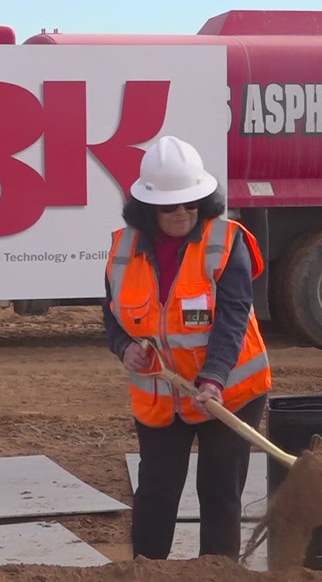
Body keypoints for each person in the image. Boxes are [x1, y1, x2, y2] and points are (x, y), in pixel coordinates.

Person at [103, 135, 273, 560]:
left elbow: (234, 314)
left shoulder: (225, 242)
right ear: (149, 208)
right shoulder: (123, 251)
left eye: (190, 203)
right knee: (157, 491)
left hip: (229, 393)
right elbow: (111, 315)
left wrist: (214, 378)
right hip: (163, 397)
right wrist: (124, 347)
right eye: (170, 206)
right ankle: (146, 579)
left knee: (219, 489)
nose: (182, 213)